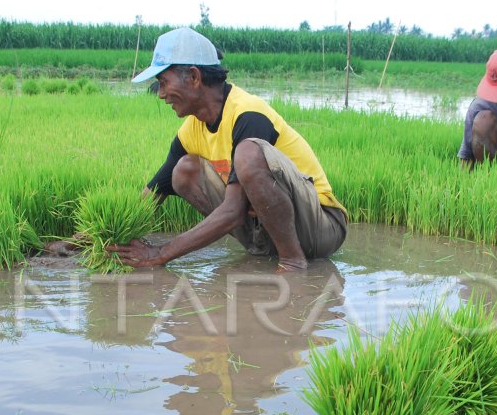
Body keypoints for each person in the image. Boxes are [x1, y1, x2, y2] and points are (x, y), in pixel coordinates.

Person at [107, 27, 346, 272]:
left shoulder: (248, 114)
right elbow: (153, 194)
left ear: (193, 77)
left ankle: (292, 263)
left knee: (247, 155)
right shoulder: (192, 130)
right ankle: (263, 251)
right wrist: (97, 237)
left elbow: (232, 211)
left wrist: (159, 253)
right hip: (269, 232)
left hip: (320, 225)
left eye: (164, 82)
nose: (161, 94)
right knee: (183, 171)